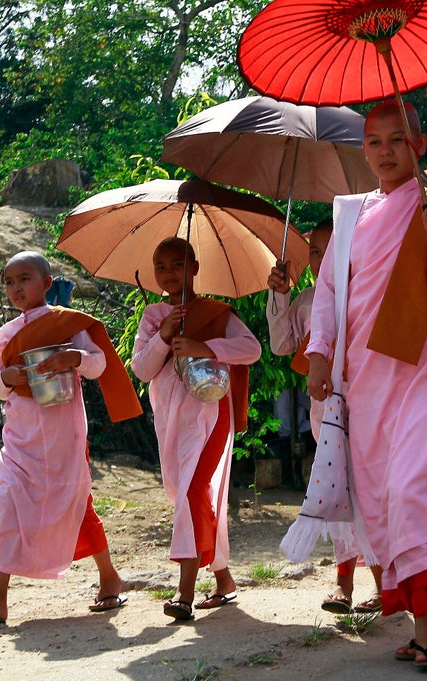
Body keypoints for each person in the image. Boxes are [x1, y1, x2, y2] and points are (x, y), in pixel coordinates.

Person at [305, 100, 427, 668]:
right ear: (363, 150)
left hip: (424, 368)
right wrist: (319, 353)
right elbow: (330, 293)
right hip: (364, 376)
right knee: (384, 501)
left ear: (419, 145)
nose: (385, 151)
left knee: (412, 490)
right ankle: (420, 620)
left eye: (397, 140)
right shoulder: (348, 214)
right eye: (374, 141)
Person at [0, 251, 142, 626]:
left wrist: (74, 356)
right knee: (7, 504)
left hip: (63, 436)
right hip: (20, 439)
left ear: (46, 283)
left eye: (25, 279)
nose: (16, 288)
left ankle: (109, 577)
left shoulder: (67, 323)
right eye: (9, 282)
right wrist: (8, 379)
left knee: (77, 504)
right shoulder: (5, 335)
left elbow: (98, 363)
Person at [131, 237, 261, 621]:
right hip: (169, 417)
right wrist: (163, 335)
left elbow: (251, 349)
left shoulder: (215, 312)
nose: (169, 273)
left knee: (191, 490)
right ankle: (223, 579)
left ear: (194, 268)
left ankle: (184, 592)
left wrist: (206, 347)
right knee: (186, 493)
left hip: (209, 412)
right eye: (161, 266)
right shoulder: (154, 315)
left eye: (178, 264)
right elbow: (141, 369)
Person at [265, 220, 384, 616]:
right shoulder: (306, 301)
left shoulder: (369, 291)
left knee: (368, 492)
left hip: (368, 406)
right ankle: (344, 582)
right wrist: (279, 295)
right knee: (337, 490)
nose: (322, 258)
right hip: (325, 412)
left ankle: (385, 582)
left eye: (331, 248)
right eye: (315, 251)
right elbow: (282, 345)